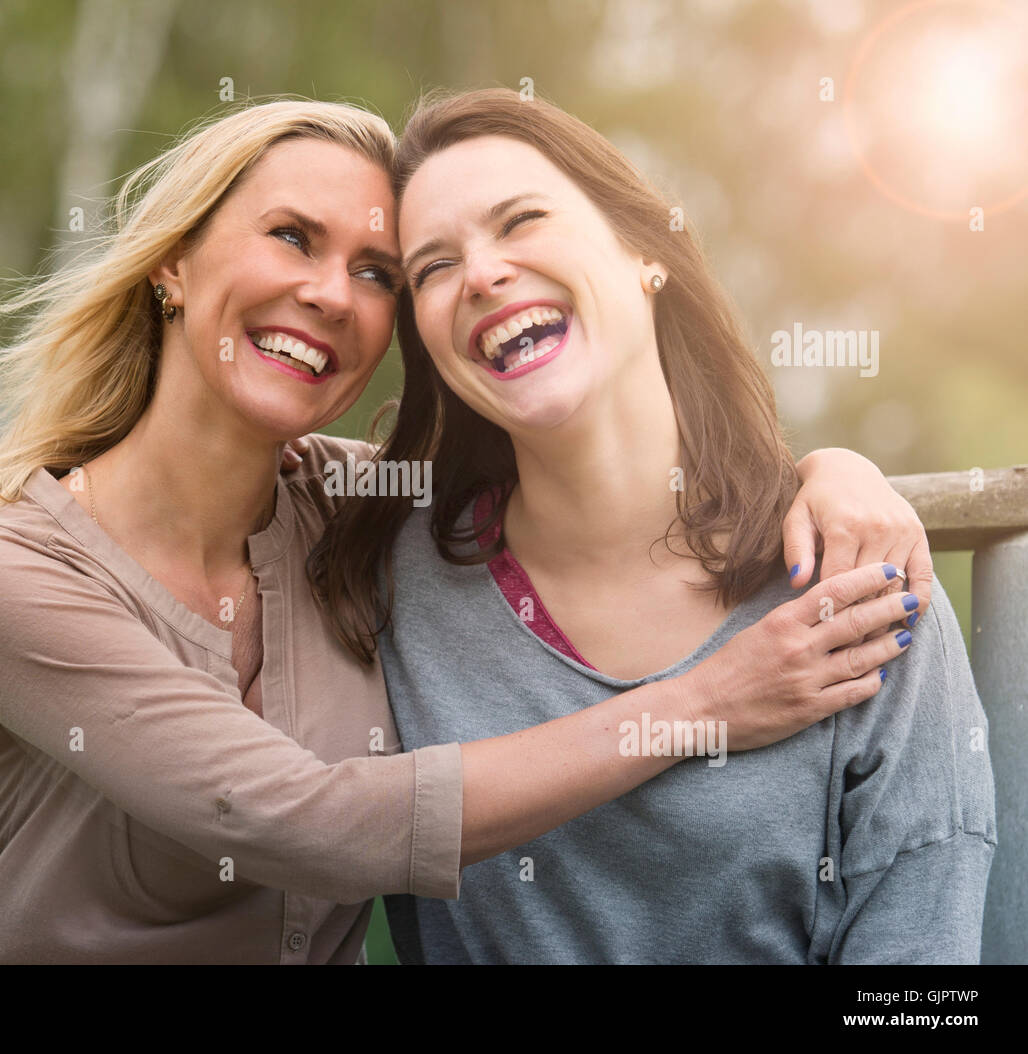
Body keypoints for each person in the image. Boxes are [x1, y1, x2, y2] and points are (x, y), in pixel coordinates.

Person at [0, 97, 932, 964]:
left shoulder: (361, 509)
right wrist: (703, 703)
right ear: (171, 263)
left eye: (379, 274)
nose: (328, 294)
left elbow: (584, 465)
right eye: (293, 238)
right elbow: (296, 821)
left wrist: (829, 473)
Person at [311, 87, 996, 964]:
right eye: (434, 267)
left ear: (645, 252)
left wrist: (836, 467)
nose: (481, 275)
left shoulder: (856, 581)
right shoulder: (384, 564)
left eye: (521, 220)